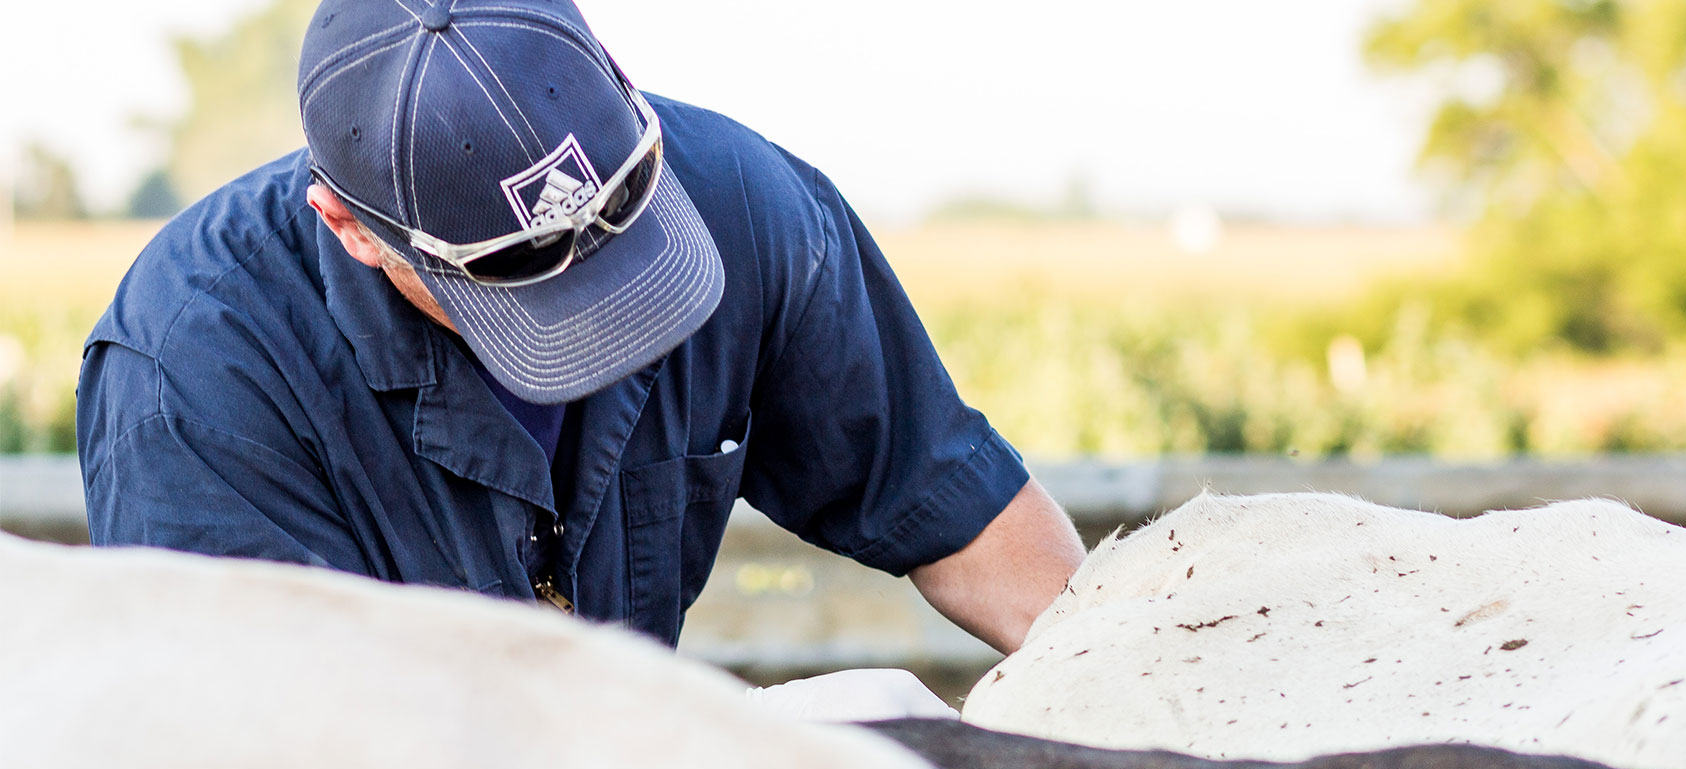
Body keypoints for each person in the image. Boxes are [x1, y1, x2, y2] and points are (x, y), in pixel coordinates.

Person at [75, 0, 1084, 660]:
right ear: (352, 228)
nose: (605, 310)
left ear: (615, 73)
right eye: (518, 273)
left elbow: (966, 517)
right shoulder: (193, 374)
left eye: (624, 213)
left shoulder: (750, 208)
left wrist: (1125, 694)